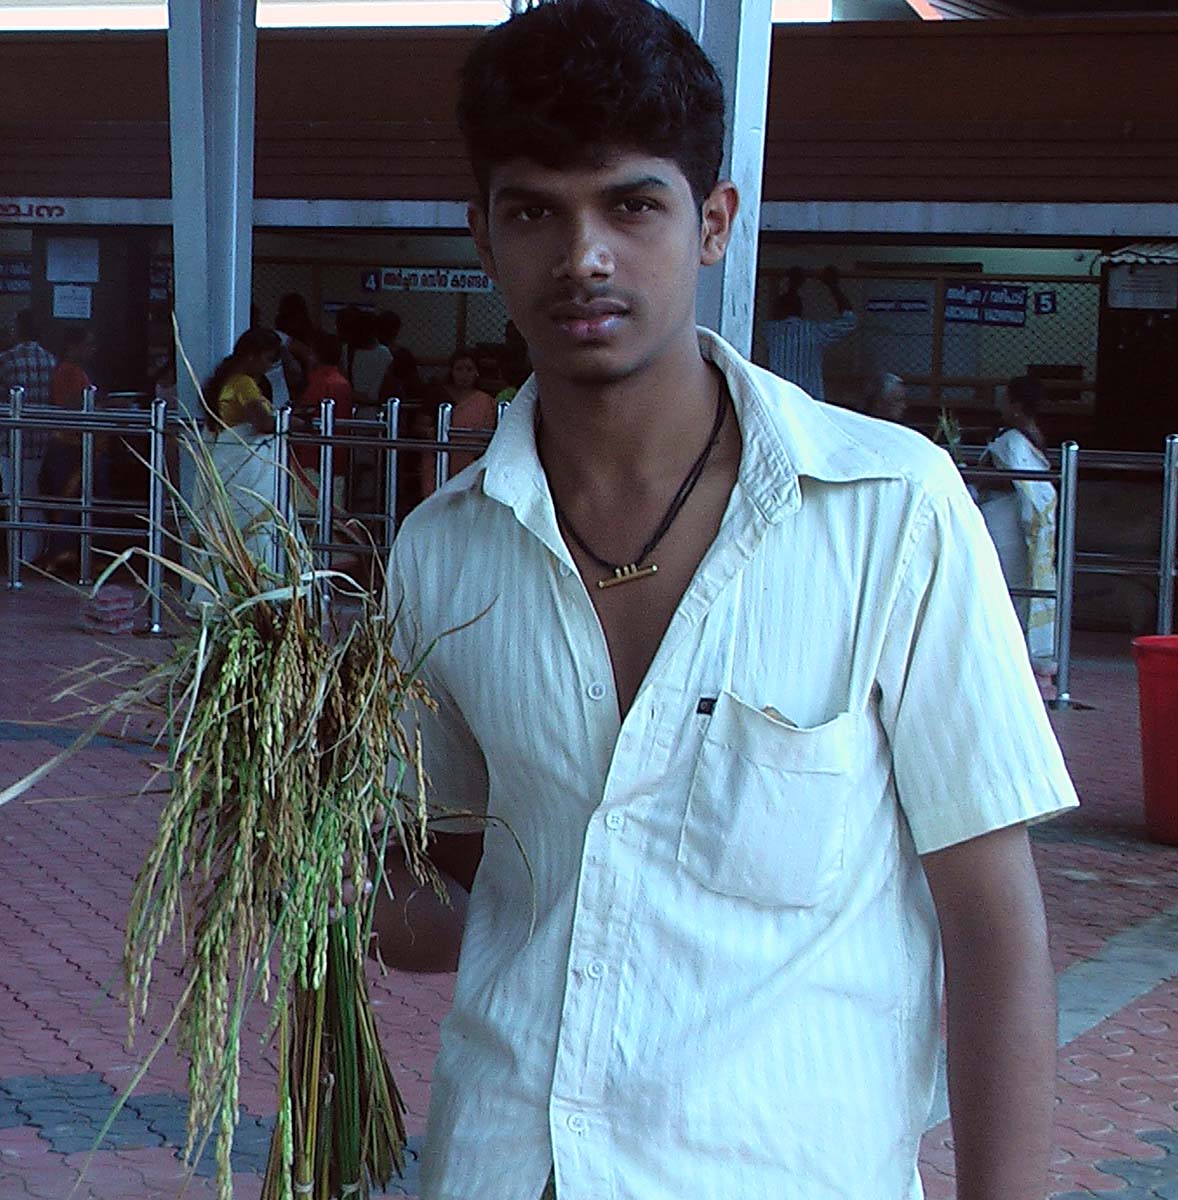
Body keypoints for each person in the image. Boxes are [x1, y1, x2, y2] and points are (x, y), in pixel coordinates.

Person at [377, 3, 1077, 1199]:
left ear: (710, 223)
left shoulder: (886, 511)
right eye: (535, 210)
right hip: (506, 1169)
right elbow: (443, 900)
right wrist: (296, 854)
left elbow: (990, 921)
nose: (582, 256)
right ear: (482, 237)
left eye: (629, 205)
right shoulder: (442, 554)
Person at [979, 375, 1057, 674]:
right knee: (1019, 585)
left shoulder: (1014, 441)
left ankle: (1009, 649)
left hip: (1008, 519)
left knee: (1010, 585)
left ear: (1016, 406)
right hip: (1014, 519)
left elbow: (1011, 481)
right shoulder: (1029, 436)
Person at [196, 327, 282, 579]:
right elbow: (263, 423)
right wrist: (290, 423)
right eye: (268, 359)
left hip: (232, 469)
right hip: (246, 474)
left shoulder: (227, 380)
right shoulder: (243, 383)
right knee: (252, 532)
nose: (269, 367)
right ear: (252, 355)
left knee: (230, 531)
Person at [35, 326, 97, 574]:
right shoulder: (65, 372)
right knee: (68, 504)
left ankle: (71, 557)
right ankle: (60, 560)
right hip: (67, 447)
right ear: (74, 346)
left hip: (77, 446)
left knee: (77, 504)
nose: (93, 349)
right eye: (89, 344)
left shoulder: (76, 371)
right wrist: (94, 400)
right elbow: (66, 405)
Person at [0, 310, 56, 565]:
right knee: (31, 492)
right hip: (41, 439)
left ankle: (20, 555)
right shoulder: (51, 360)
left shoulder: (7, 360)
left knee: (13, 495)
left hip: (9, 440)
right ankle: (33, 550)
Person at [764, 264, 856, 402]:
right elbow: (850, 321)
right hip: (811, 401)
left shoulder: (771, 331)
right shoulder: (813, 331)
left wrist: (793, 285)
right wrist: (833, 286)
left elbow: (783, 308)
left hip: (780, 400)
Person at [419, 347, 498, 497]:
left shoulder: (486, 402)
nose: (464, 374)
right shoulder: (437, 394)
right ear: (451, 371)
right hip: (438, 459)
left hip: (470, 463)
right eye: (459, 369)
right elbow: (420, 425)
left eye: (469, 369)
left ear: (477, 372)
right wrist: (431, 432)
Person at [291, 330, 354, 519]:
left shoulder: (319, 382)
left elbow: (305, 413)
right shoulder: (342, 382)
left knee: (308, 514)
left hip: (311, 460)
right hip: (337, 459)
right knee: (333, 512)